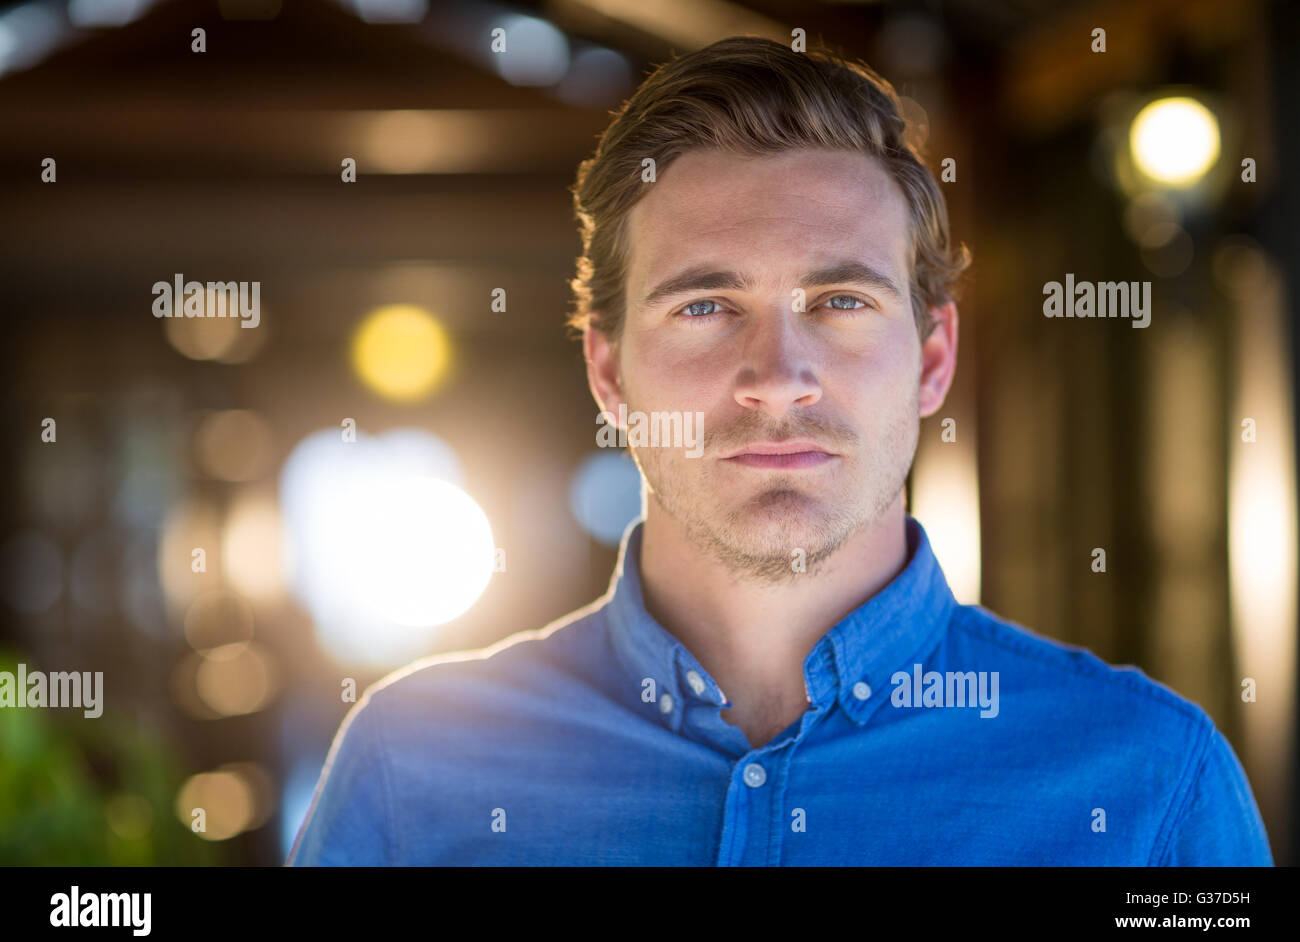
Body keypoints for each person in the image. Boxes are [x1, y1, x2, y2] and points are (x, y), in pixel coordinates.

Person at [288, 36, 1272, 865]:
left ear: (933, 360)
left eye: (840, 300)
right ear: (609, 373)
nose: (777, 377)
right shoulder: (408, 771)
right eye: (705, 306)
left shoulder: (1153, 786)